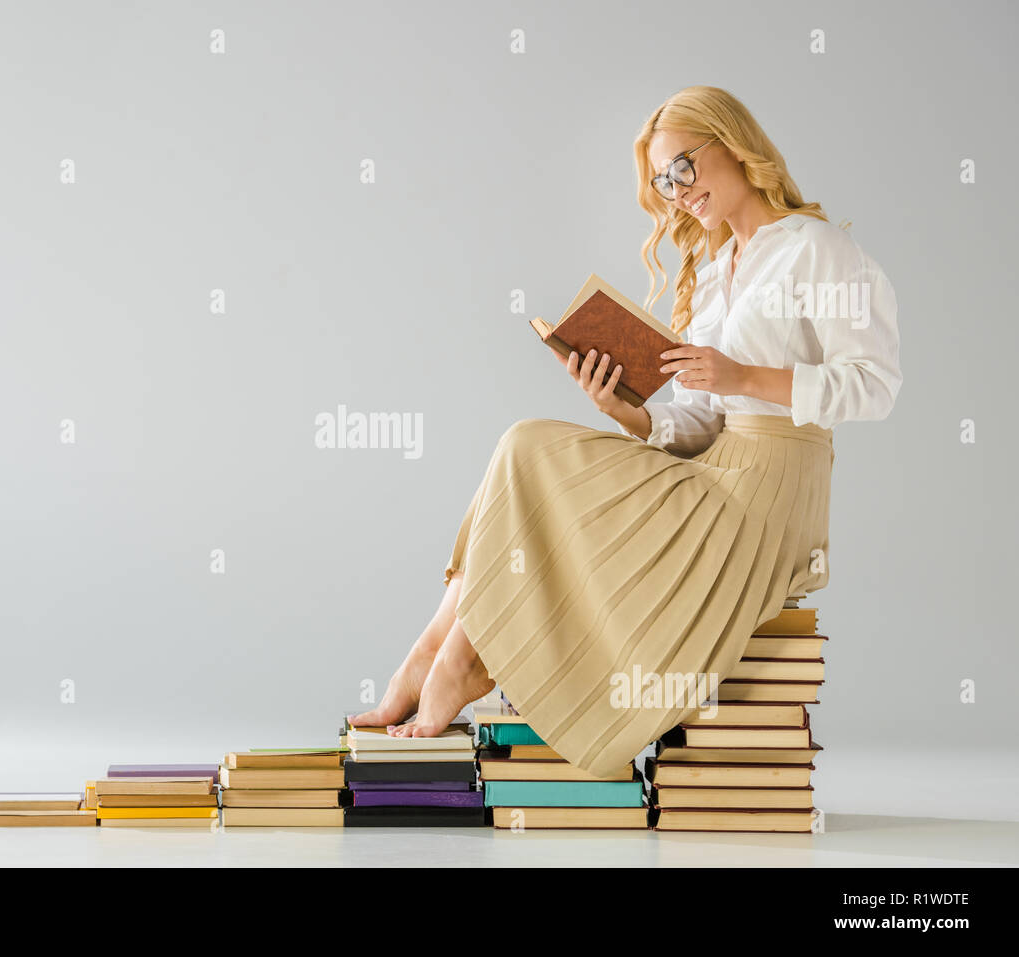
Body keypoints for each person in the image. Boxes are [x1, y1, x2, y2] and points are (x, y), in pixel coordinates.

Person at [350, 85, 902, 776]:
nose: (676, 192)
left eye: (683, 169)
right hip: (718, 466)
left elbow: (876, 385)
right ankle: (440, 647)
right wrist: (629, 414)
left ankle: (461, 657)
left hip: (771, 491)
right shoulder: (714, 270)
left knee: (530, 451)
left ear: (732, 145)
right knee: (525, 446)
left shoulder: (816, 249)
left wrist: (745, 378)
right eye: (662, 182)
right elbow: (705, 421)